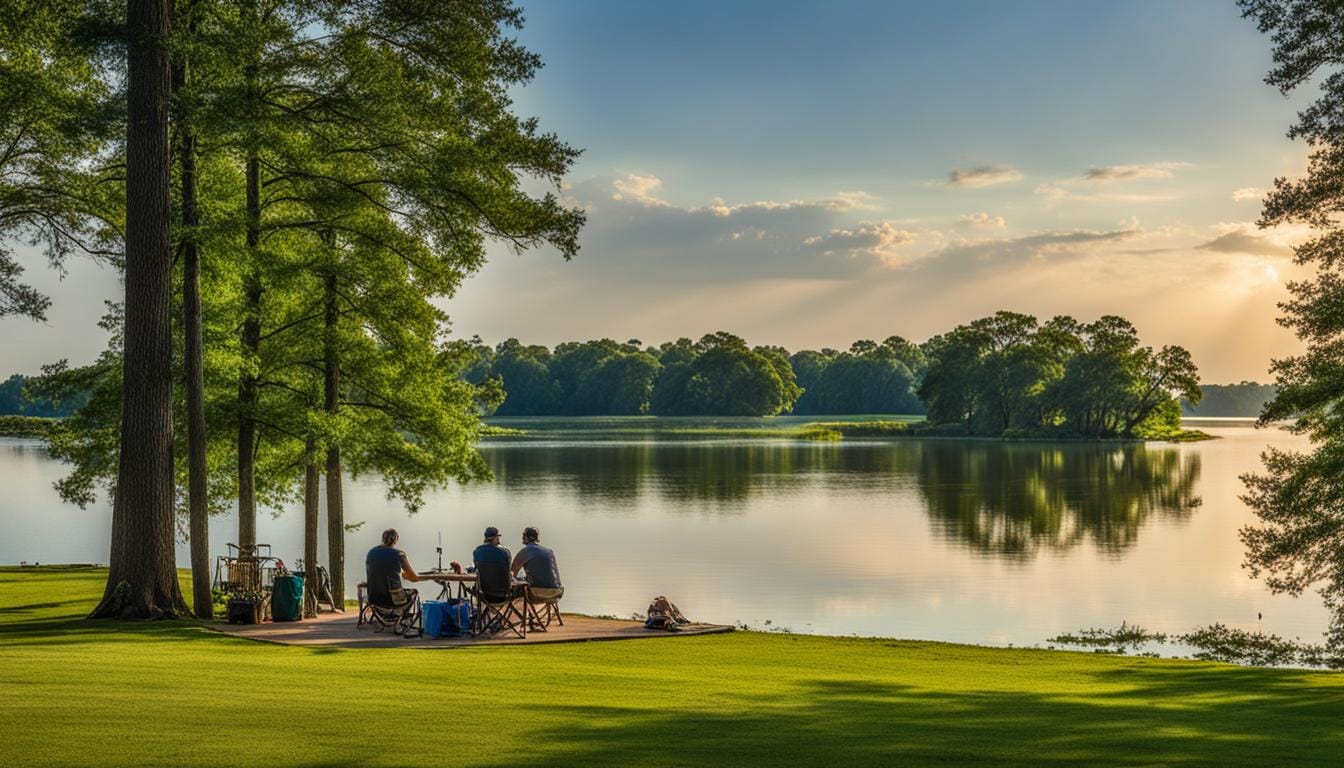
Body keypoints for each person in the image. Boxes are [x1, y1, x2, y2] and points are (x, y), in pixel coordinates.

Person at [365, 528, 422, 609]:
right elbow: (413, 578)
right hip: (393, 599)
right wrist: (423, 578)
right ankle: (404, 614)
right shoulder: (400, 554)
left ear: (383, 539)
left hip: (373, 599)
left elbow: (381, 571)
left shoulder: (371, 552)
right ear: (395, 540)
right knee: (414, 592)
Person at [472, 526, 525, 601]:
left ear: (485, 538)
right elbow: (508, 570)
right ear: (495, 538)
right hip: (503, 596)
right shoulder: (505, 552)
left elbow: (476, 569)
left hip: (484, 595)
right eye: (498, 538)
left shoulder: (477, 552)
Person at [511, 526, 563, 603]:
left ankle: (510, 608)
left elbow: (512, 572)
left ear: (526, 537)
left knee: (515, 584)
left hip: (536, 593)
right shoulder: (549, 551)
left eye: (523, 535)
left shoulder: (526, 551)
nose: (522, 538)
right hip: (557, 592)